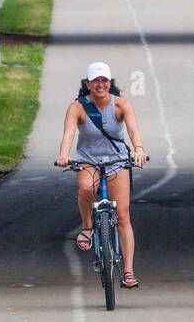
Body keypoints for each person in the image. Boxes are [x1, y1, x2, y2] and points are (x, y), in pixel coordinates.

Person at [56, 62, 148, 289]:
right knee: (86, 189)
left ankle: (128, 271)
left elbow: (134, 131)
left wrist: (138, 150)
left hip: (117, 162)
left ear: (110, 83)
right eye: (95, 81)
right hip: (88, 161)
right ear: (87, 84)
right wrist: (63, 155)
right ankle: (87, 226)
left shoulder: (121, 105)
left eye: (104, 80)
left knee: (123, 215)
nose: (100, 85)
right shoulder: (77, 107)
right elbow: (68, 134)